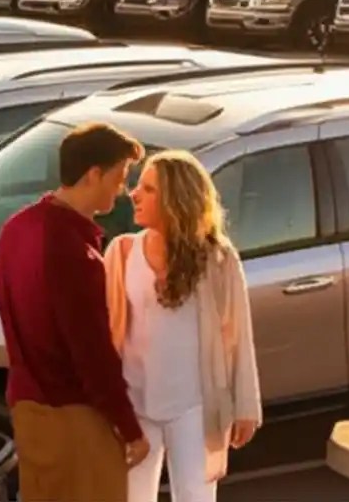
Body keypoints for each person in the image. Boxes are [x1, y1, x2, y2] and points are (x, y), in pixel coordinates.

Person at [0, 122, 150, 502]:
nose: (123, 189)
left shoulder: (16, 228)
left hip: (28, 407)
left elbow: (7, 310)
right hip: (74, 417)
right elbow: (91, 352)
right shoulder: (74, 253)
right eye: (119, 176)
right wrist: (130, 429)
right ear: (93, 174)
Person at [102, 150, 263, 502]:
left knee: (195, 496)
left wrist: (246, 406)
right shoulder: (122, 252)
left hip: (195, 405)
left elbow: (238, 336)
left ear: (176, 200)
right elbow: (103, 335)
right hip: (134, 405)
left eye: (148, 189)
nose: (134, 194)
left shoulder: (218, 259)